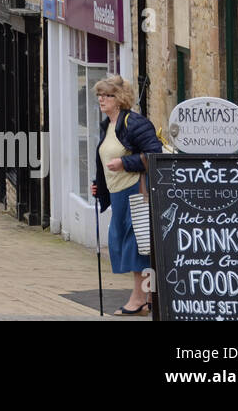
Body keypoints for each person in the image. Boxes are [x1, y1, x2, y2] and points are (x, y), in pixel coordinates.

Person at [89, 74, 163, 316]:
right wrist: (99, 186)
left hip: (137, 192)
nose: (101, 99)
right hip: (119, 193)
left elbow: (154, 155)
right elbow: (104, 161)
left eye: (107, 95)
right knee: (129, 243)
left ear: (119, 99)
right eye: (100, 94)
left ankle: (139, 299)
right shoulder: (108, 124)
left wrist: (124, 163)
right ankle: (149, 299)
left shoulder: (135, 123)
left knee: (137, 245)